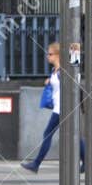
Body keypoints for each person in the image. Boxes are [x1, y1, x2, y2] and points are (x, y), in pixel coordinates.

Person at [20, 43, 83, 173]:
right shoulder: (55, 71)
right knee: (74, 135)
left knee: (48, 134)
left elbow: (75, 67)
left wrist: (75, 49)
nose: (47, 56)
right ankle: (87, 161)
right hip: (60, 108)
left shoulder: (64, 71)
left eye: (50, 54)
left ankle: (36, 164)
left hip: (63, 109)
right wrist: (49, 81)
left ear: (58, 55)